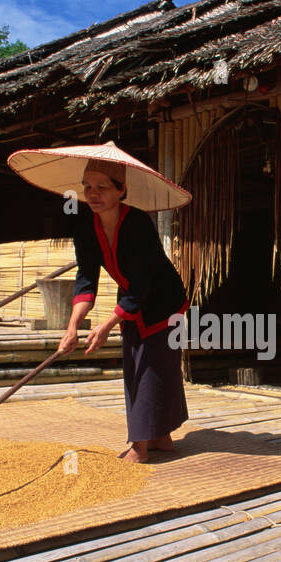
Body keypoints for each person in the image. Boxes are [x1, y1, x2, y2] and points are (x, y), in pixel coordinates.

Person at [60, 158, 189, 463]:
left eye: (102, 187)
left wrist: (105, 325)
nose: (93, 193)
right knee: (138, 363)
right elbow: (86, 280)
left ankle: (140, 446)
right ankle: (161, 438)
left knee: (152, 365)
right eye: (87, 187)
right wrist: (72, 326)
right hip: (132, 298)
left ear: (121, 190)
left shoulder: (139, 224)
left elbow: (143, 281)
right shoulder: (84, 228)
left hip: (162, 298)